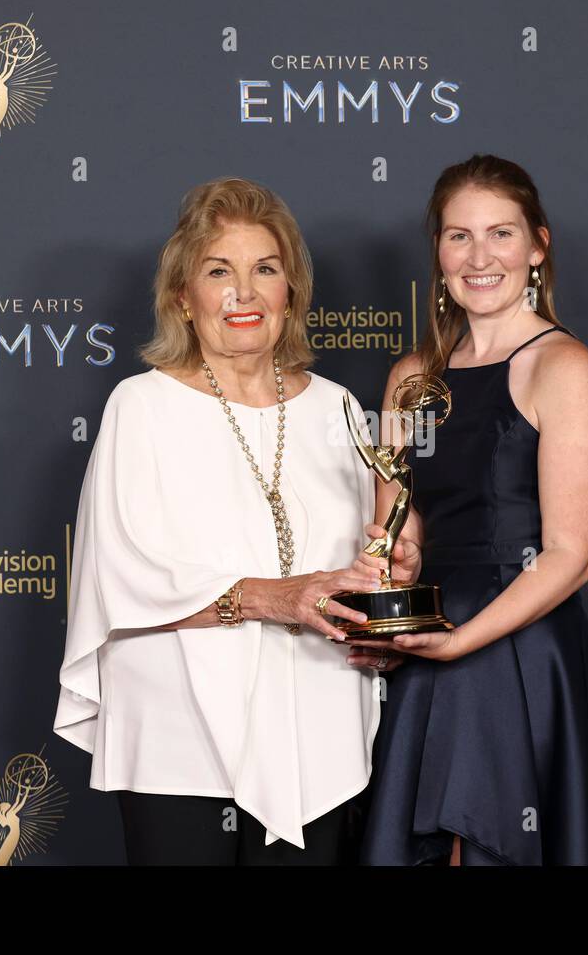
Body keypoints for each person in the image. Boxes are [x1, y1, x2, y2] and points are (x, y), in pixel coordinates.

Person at [54, 177, 400, 865]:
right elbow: (120, 577)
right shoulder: (141, 407)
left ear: (290, 291)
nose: (244, 293)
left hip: (319, 734)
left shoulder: (337, 410)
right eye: (219, 272)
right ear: (184, 296)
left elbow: (365, 561)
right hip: (179, 740)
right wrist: (279, 598)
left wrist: (383, 593)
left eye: (264, 270)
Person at [350, 154, 588, 865]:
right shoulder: (410, 377)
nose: (479, 257)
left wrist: (461, 642)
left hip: (517, 649)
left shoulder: (562, 365)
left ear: (537, 246)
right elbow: (404, 525)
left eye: (501, 234)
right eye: (459, 236)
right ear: (439, 252)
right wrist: (397, 561)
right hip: (426, 647)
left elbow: (570, 557)